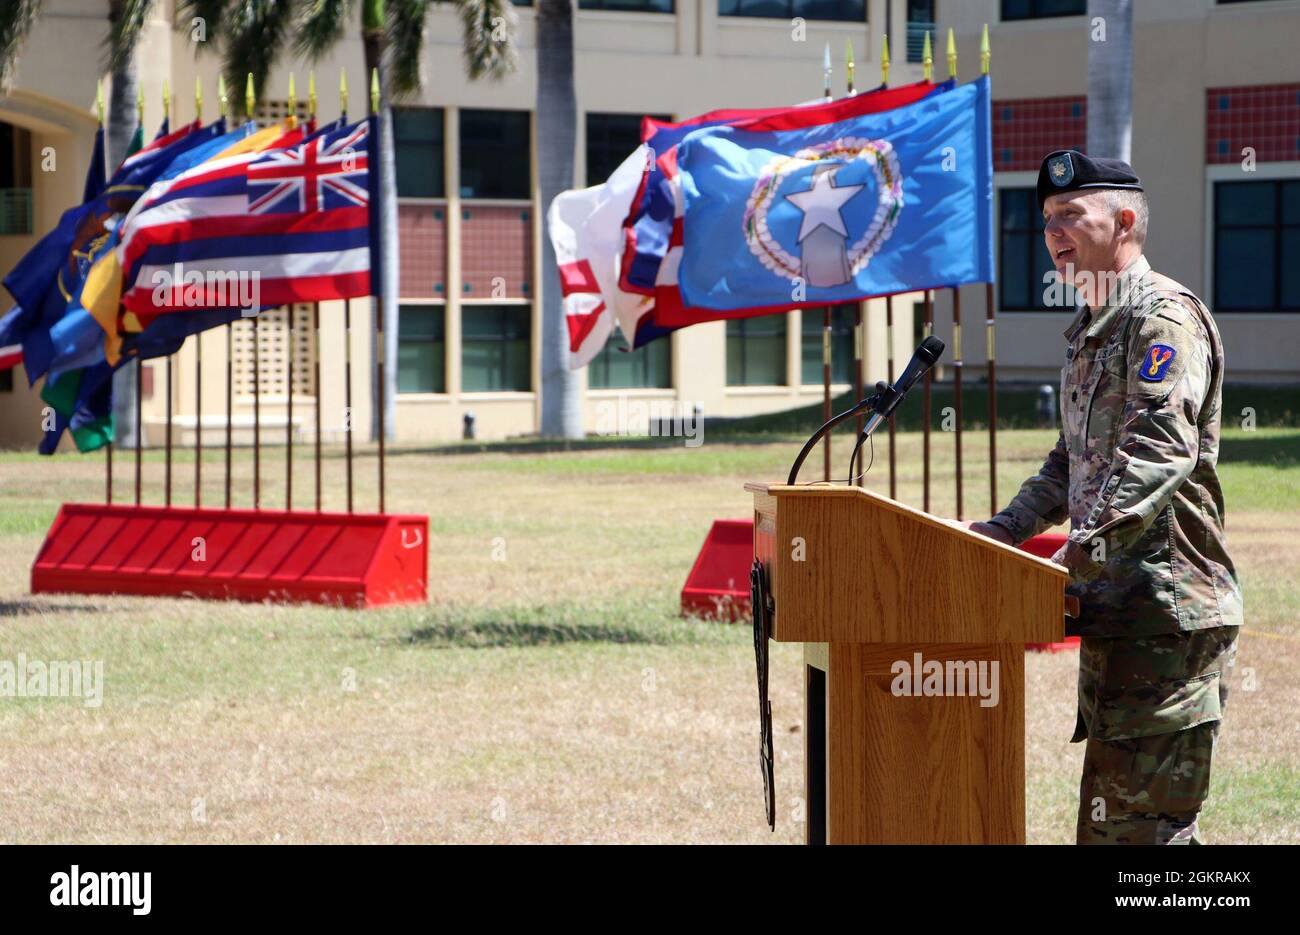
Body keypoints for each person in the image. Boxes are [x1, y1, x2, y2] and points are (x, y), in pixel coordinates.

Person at [969, 150, 1243, 844]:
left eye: (1070, 215)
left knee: (1143, 835)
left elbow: (1159, 451)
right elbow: (1072, 462)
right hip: (1117, 608)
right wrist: (1001, 533)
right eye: (1046, 221)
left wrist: (1073, 554)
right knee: (1121, 828)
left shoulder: (1162, 321)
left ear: (1124, 222)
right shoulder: (1094, 331)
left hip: (1167, 614)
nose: (1053, 232)